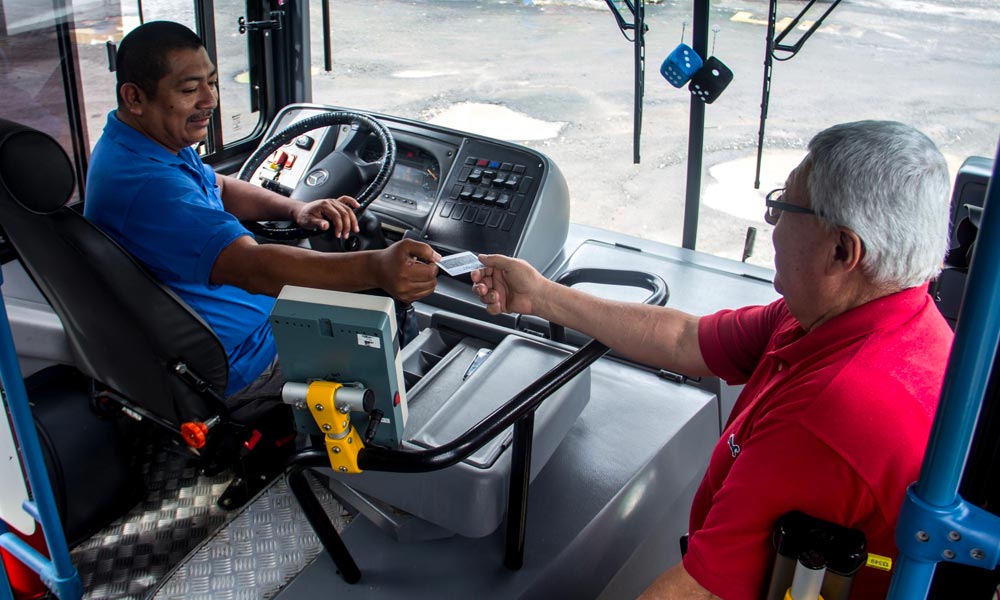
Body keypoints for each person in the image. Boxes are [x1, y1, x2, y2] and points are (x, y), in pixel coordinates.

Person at [471, 121, 954, 599]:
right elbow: (685, 340)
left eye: (782, 208)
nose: (773, 228)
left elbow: (698, 591)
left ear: (842, 250)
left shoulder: (831, 415)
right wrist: (541, 297)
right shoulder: (866, 317)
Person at [84, 21, 440, 413]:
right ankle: (395, 428)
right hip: (248, 363)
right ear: (134, 97)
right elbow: (255, 269)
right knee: (379, 304)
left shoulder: (146, 144)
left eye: (212, 82)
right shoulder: (149, 186)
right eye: (189, 90)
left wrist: (296, 208)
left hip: (240, 332)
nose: (210, 99)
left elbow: (218, 185)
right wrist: (377, 267)